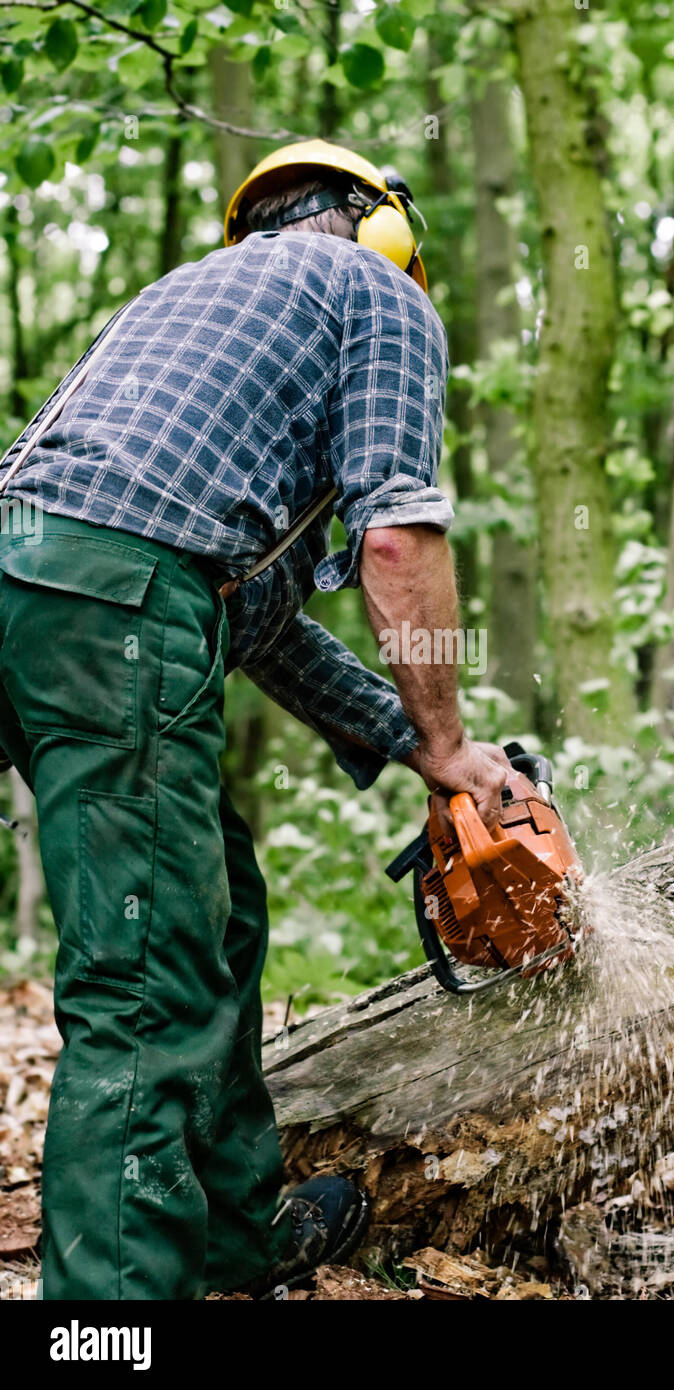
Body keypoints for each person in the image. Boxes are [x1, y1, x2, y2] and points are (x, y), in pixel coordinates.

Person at [0, 138, 507, 1300]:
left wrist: (408, 743)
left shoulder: (181, 307)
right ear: (382, 226)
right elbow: (396, 534)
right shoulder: (377, 291)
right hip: (119, 602)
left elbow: (260, 625)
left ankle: (232, 1232)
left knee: (210, 899)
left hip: (36, 587)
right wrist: (446, 740)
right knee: (143, 982)